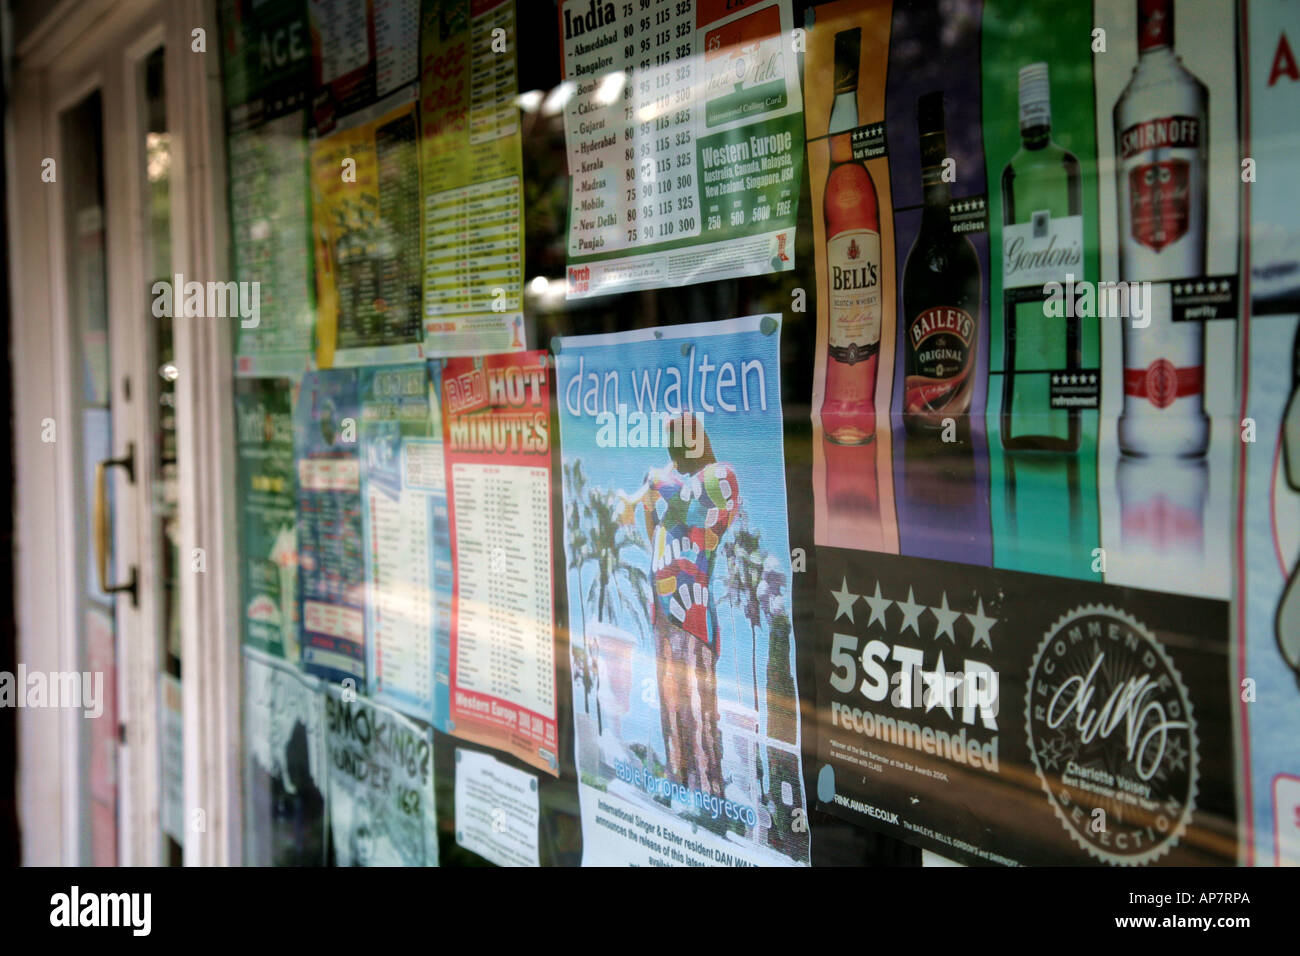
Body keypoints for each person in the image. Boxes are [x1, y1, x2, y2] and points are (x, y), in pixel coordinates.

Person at [618, 413, 739, 802]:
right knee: (670, 709)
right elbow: (658, 533)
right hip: (665, 614)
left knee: (697, 711)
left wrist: (652, 483)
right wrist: (645, 497)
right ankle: (676, 785)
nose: (673, 453)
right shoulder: (668, 485)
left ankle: (707, 794)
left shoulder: (721, 477)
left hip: (695, 616)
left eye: (679, 443)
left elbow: (689, 511)